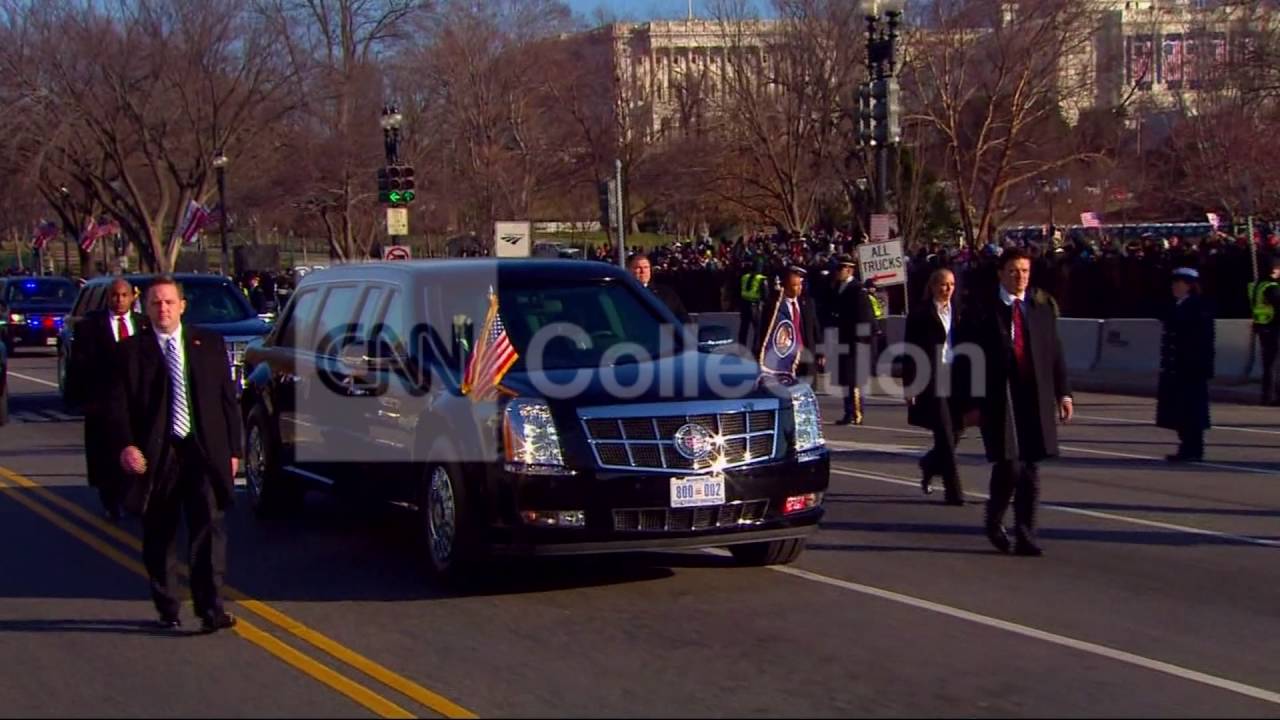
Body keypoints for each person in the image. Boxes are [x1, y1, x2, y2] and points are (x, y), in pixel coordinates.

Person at [107, 276, 241, 633]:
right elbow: (116, 407)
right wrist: (126, 445)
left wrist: (234, 450)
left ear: (182, 306)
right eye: (155, 303)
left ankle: (211, 608)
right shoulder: (130, 352)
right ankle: (168, 605)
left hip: (202, 450)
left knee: (208, 527)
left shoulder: (208, 344)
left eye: (169, 302)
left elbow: (227, 400)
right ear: (145, 309)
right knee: (159, 532)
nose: (163, 309)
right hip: (158, 453)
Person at [965, 249, 1071, 557]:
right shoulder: (983, 308)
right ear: (1000, 273)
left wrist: (1063, 393)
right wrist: (971, 403)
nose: (1019, 277)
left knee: (1030, 468)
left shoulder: (1041, 307)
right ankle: (994, 518)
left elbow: (1055, 353)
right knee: (1009, 464)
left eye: (1024, 271)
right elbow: (967, 360)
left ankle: (1026, 534)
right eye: (1013, 271)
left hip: (1032, 395)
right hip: (998, 396)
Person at [66, 277, 147, 520]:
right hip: (103, 403)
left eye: (124, 295)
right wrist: (80, 398)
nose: (119, 300)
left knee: (137, 449)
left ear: (133, 297)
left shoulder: (144, 325)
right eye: (114, 295)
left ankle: (135, 496)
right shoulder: (90, 327)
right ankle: (111, 500)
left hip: (137, 401)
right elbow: (78, 366)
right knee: (107, 455)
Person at [904, 268, 967, 505]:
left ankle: (930, 463)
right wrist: (910, 385)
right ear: (932, 286)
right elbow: (910, 351)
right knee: (945, 435)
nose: (948, 289)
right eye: (943, 284)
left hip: (956, 378)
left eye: (951, 284)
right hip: (932, 378)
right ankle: (954, 492)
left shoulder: (960, 311)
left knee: (957, 431)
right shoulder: (920, 314)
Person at [1157, 268, 1215, 462]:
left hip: (1190, 367)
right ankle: (1186, 446)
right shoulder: (1178, 305)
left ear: (1189, 285)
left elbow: (1202, 340)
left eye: (1178, 283)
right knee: (1179, 410)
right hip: (1177, 367)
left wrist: (1200, 366)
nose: (1174, 287)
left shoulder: (1198, 307)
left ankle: (1193, 448)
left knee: (1191, 410)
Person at [757, 266, 824, 381]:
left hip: (806, 357)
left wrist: (821, 352)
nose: (799, 288)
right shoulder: (775, 307)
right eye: (795, 285)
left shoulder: (807, 303)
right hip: (785, 358)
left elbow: (815, 328)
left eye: (800, 284)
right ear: (785, 287)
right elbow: (765, 331)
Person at [831, 256, 871, 425]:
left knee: (854, 379)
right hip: (842, 338)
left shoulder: (857, 289)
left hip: (855, 341)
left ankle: (857, 412)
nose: (837, 272)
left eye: (840, 269)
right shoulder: (838, 287)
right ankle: (848, 411)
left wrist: (860, 340)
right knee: (845, 378)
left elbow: (864, 317)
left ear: (849, 270)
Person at [1249, 258, 1280, 406]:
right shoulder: (1271, 287)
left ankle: (1267, 396)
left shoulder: (1259, 285)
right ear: (1274, 269)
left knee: (1269, 363)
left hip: (1262, 326)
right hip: (1273, 326)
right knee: (1274, 364)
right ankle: (1272, 396)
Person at [627, 253, 689, 323]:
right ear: (628, 270)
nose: (643, 271)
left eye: (646, 267)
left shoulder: (666, 294)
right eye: (638, 268)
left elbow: (684, 319)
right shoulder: (622, 292)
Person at [738, 258, 768, 350]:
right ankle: (756, 349)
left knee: (743, 328)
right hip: (755, 306)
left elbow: (739, 290)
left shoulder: (744, 277)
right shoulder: (762, 279)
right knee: (758, 330)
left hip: (744, 305)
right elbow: (765, 295)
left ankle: (741, 348)